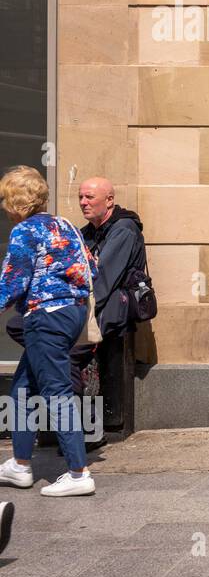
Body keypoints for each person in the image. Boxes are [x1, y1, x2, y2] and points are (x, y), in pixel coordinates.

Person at [0, 166, 97, 496]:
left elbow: (13, 282)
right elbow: (91, 269)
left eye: (4, 199)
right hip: (71, 313)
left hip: (45, 316)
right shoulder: (64, 225)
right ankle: (20, 465)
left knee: (56, 392)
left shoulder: (24, 231)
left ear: (15, 202)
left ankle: (78, 472)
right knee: (23, 389)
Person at [75, 177, 147, 436]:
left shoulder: (124, 229)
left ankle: (105, 420)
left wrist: (77, 311)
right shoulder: (87, 232)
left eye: (89, 197)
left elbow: (103, 278)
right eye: (81, 197)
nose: (83, 202)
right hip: (98, 308)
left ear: (109, 201)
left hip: (113, 311)